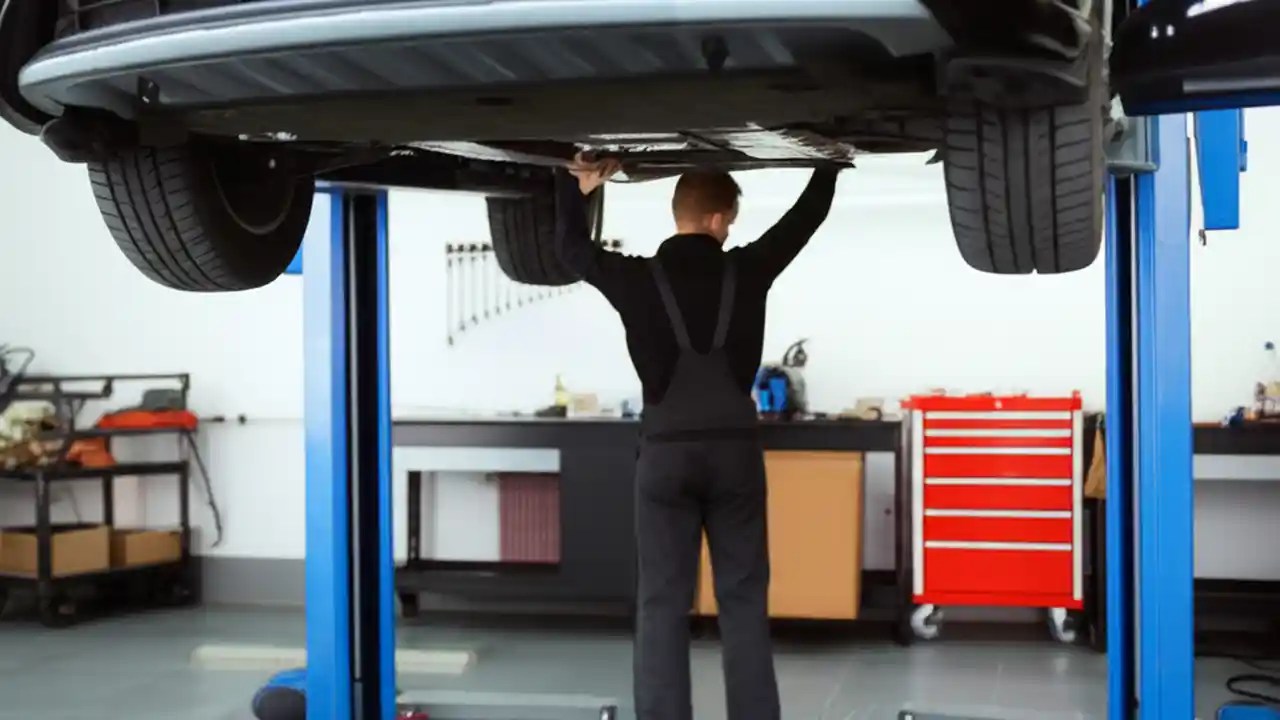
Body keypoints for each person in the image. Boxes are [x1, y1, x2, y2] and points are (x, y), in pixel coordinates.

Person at [555, 155, 840, 720]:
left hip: (664, 458)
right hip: (734, 454)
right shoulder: (749, 269)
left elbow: (571, 254)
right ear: (716, 218)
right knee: (742, 600)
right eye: (729, 220)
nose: (731, 229)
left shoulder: (635, 278)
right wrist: (828, 165)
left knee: (661, 603)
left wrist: (575, 187)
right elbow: (804, 220)